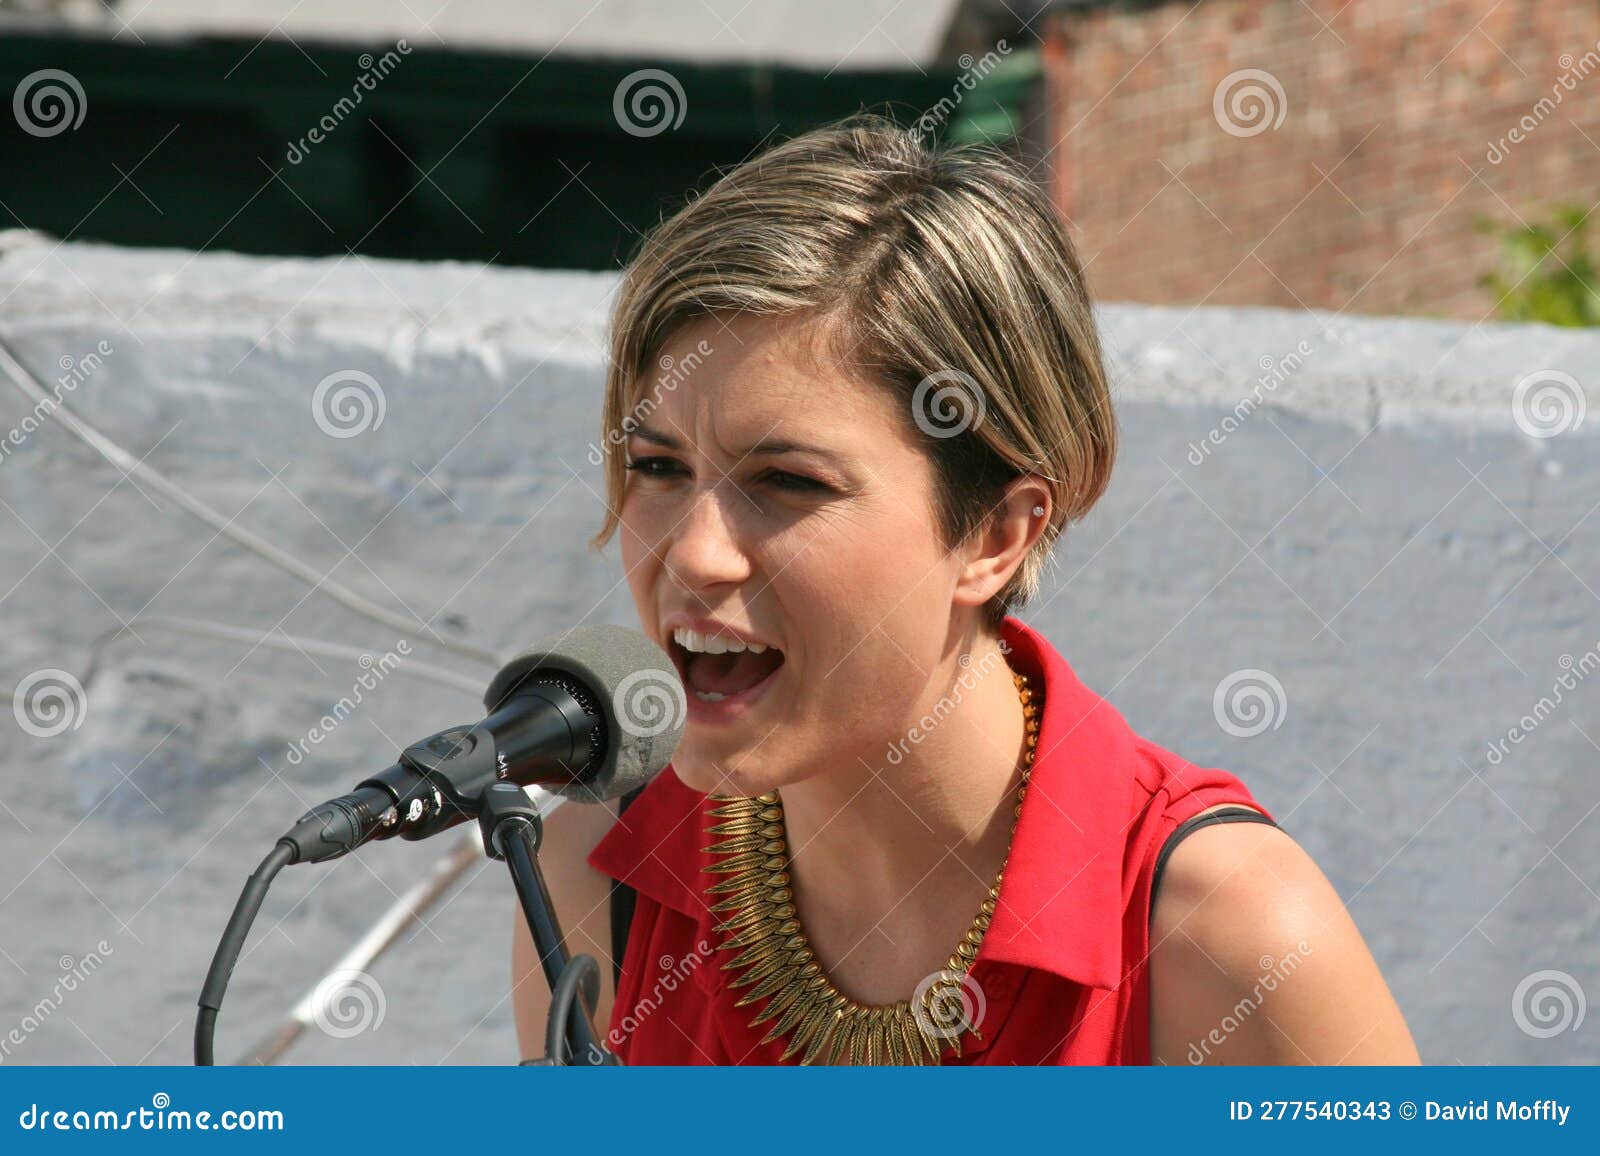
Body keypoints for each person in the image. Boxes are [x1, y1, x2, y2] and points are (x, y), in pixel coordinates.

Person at [512, 112, 1420, 1065]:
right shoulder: (602, 877)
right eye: (658, 467)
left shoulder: (1227, 943)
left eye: (787, 481)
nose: (695, 555)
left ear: (996, 533)